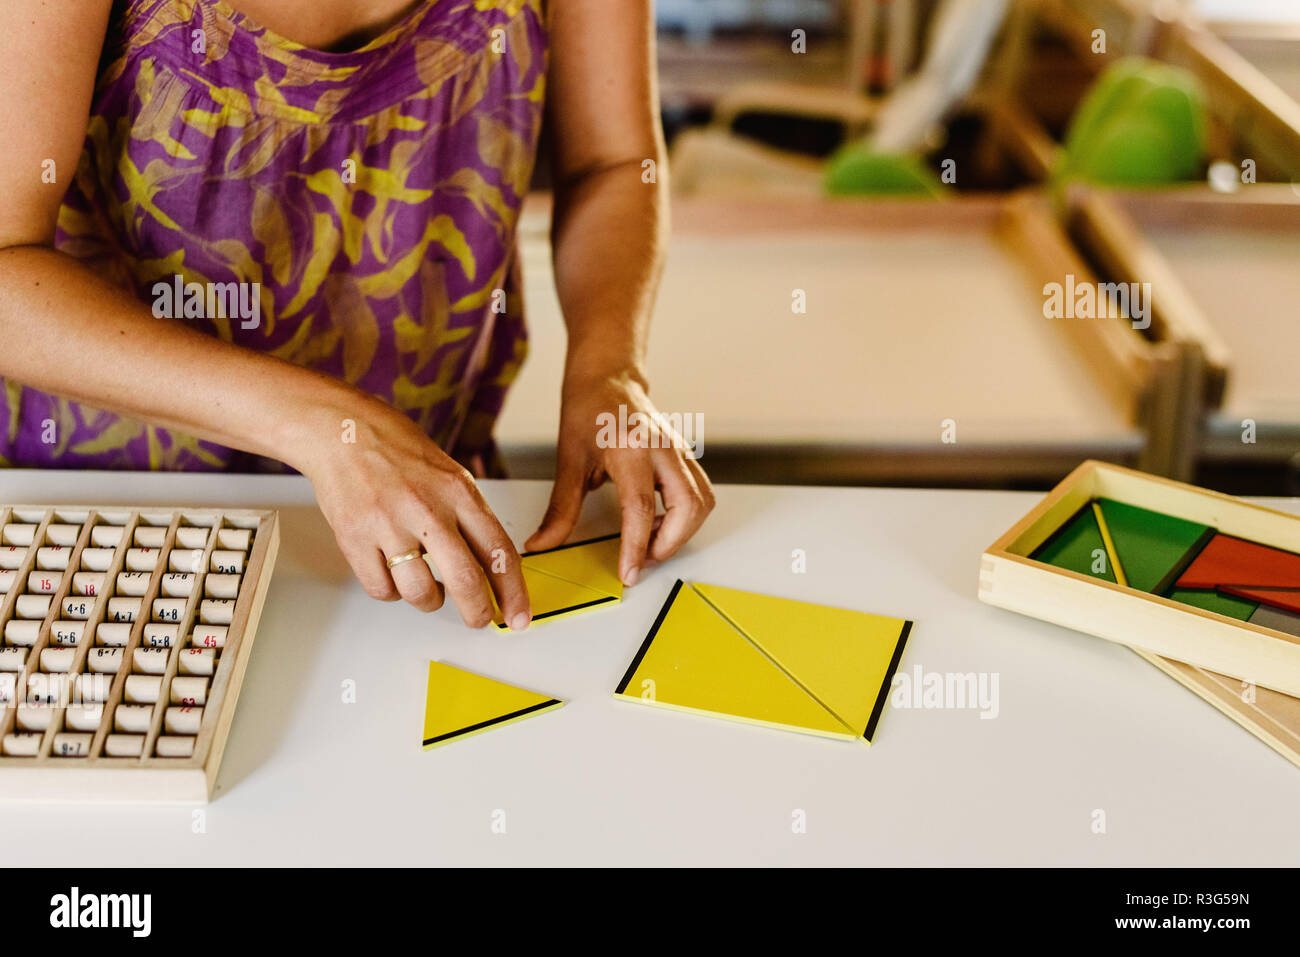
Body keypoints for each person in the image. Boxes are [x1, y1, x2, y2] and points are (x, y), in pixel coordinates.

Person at [0, 0, 713, 630]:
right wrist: (326, 427)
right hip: (108, 530)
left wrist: (607, 366)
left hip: (414, 529)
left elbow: (614, 164)